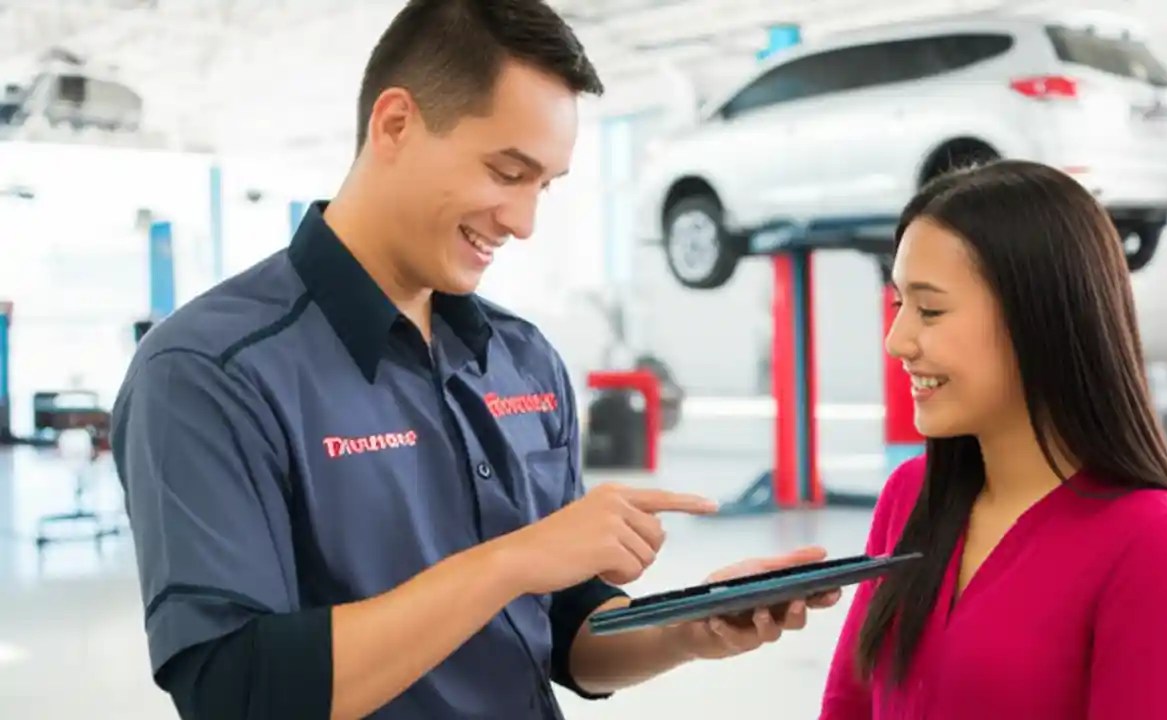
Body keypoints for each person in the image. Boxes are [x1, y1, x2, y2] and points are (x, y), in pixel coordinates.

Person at [109, 2, 840, 718]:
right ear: (395, 124)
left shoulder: (522, 358)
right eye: (506, 172)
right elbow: (234, 690)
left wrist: (688, 628)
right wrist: (512, 560)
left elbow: (562, 627)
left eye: (544, 186)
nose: (523, 222)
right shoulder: (207, 373)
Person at [819, 160, 1167, 719]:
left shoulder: (1157, 544)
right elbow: (848, 705)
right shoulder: (910, 495)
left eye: (929, 310)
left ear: (1038, 317)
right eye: (899, 305)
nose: (897, 341)